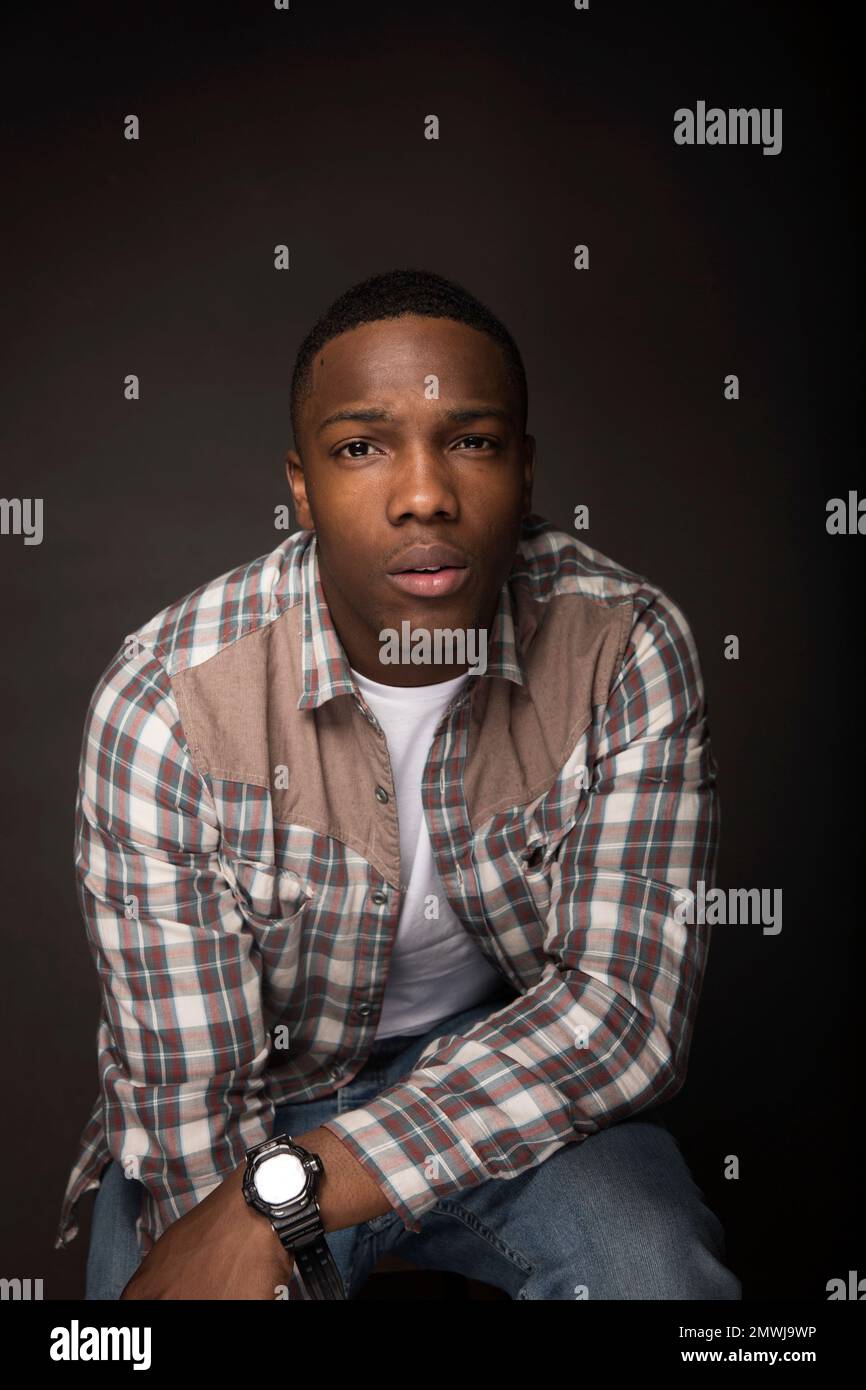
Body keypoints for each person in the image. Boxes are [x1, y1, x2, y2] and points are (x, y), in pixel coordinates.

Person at [55, 267, 741, 1300]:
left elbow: (616, 1014)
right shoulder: (167, 699)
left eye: (469, 440)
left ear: (524, 465)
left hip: (510, 1078)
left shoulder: (621, 646)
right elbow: (191, 1088)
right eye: (360, 448)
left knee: (654, 1273)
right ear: (299, 485)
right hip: (253, 1106)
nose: (423, 493)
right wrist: (254, 1211)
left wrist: (294, 1190)